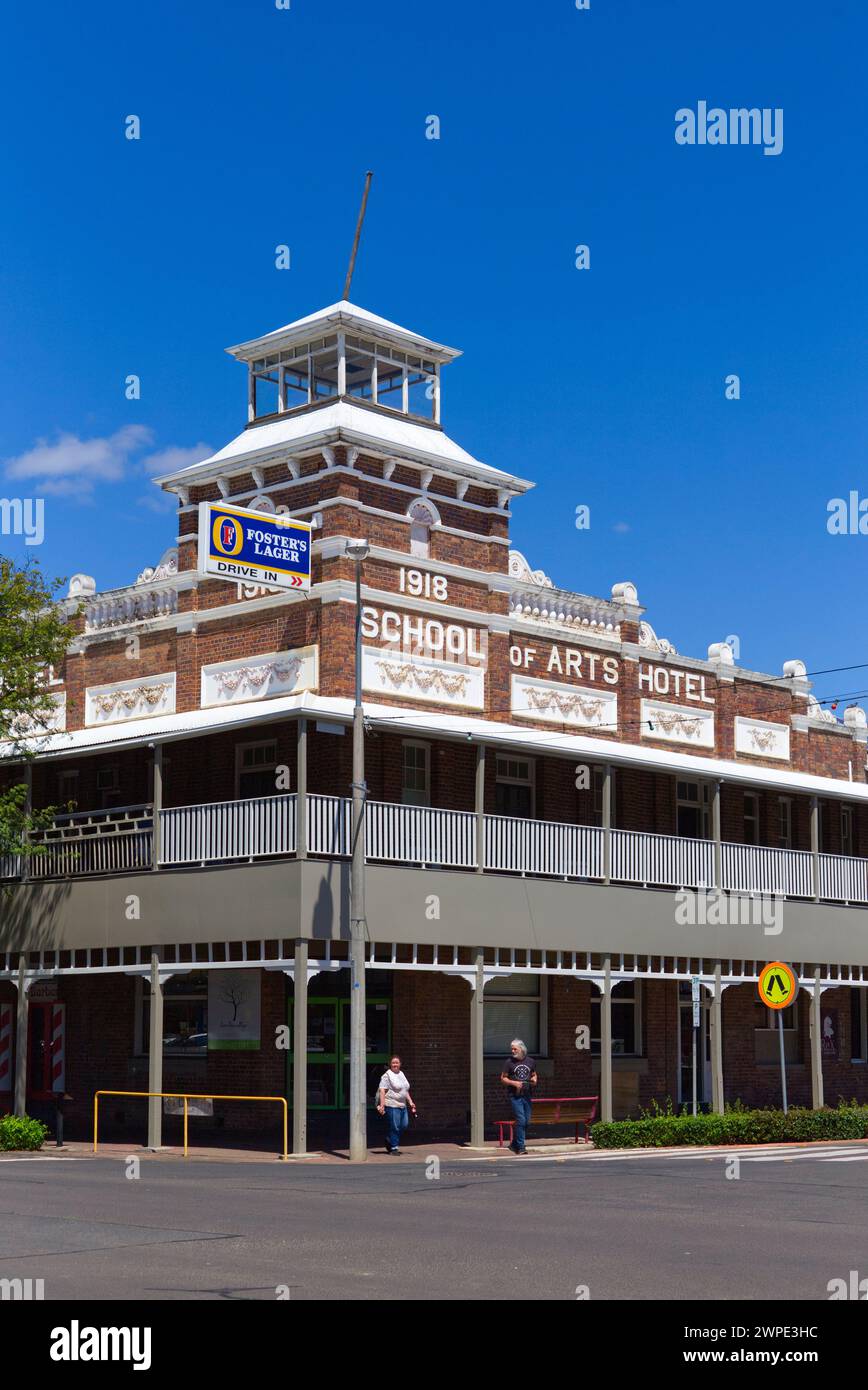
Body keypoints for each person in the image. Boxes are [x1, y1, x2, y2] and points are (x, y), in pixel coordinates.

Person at [500, 1039, 538, 1154]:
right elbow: (503, 1078)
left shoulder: (531, 1061)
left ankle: (514, 1144)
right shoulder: (509, 1062)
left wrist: (534, 1080)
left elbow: (534, 1074)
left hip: (527, 1095)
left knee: (526, 1121)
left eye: (515, 1048)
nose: (512, 1051)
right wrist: (514, 1083)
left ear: (521, 1049)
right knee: (521, 1120)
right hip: (515, 1095)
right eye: (511, 1049)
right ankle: (521, 1147)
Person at [377, 1054, 417, 1154]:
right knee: (395, 1126)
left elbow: (405, 1090)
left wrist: (410, 1102)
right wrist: (382, 1105)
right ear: (390, 1064)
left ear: (400, 1064)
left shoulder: (401, 1074)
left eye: (397, 1062)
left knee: (404, 1125)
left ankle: (390, 1139)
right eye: (393, 1063)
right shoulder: (387, 1075)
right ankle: (394, 1148)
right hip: (392, 1105)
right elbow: (382, 1091)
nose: (395, 1064)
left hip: (402, 1105)